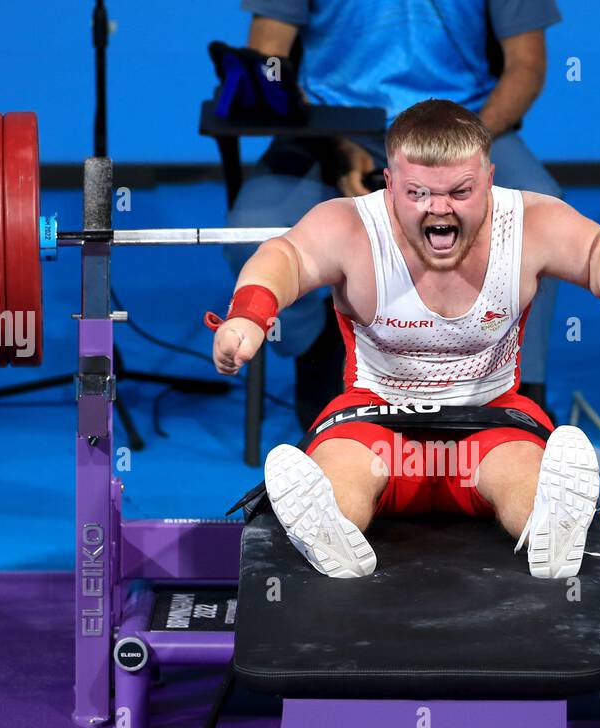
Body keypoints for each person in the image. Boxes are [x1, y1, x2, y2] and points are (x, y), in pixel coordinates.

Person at [210, 100, 600, 579]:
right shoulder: (352, 226)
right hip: (376, 423)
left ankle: (552, 526)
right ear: (389, 182)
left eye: (460, 191)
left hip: (489, 424)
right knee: (340, 477)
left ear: (489, 178)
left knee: (524, 478)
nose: (439, 209)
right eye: (417, 192)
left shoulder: (527, 223)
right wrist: (249, 317)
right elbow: (285, 257)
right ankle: (328, 530)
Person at [223, 0, 564, 428]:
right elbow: (268, 61)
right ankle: (320, 349)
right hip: (333, 127)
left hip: (462, 125)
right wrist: (337, 146)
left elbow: (526, 67)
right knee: (253, 230)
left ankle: (519, 392)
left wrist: (459, 152)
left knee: (538, 217)